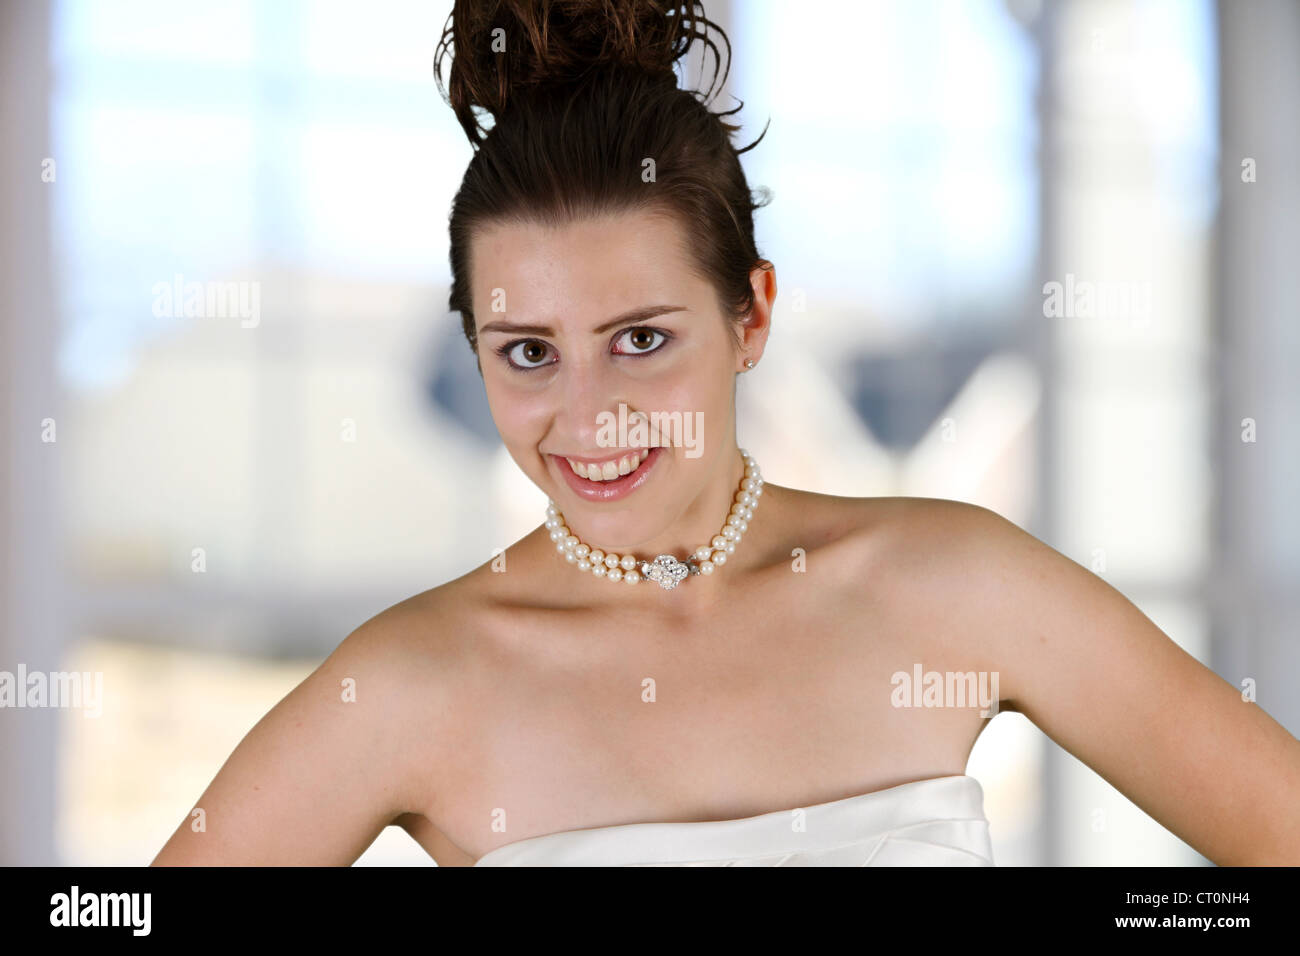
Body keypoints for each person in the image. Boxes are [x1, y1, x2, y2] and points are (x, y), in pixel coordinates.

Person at [152, 0, 1300, 867]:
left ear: (749, 313)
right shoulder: (412, 680)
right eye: (528, 350)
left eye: (641, 339)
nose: (588, 414)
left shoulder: (956, 586)